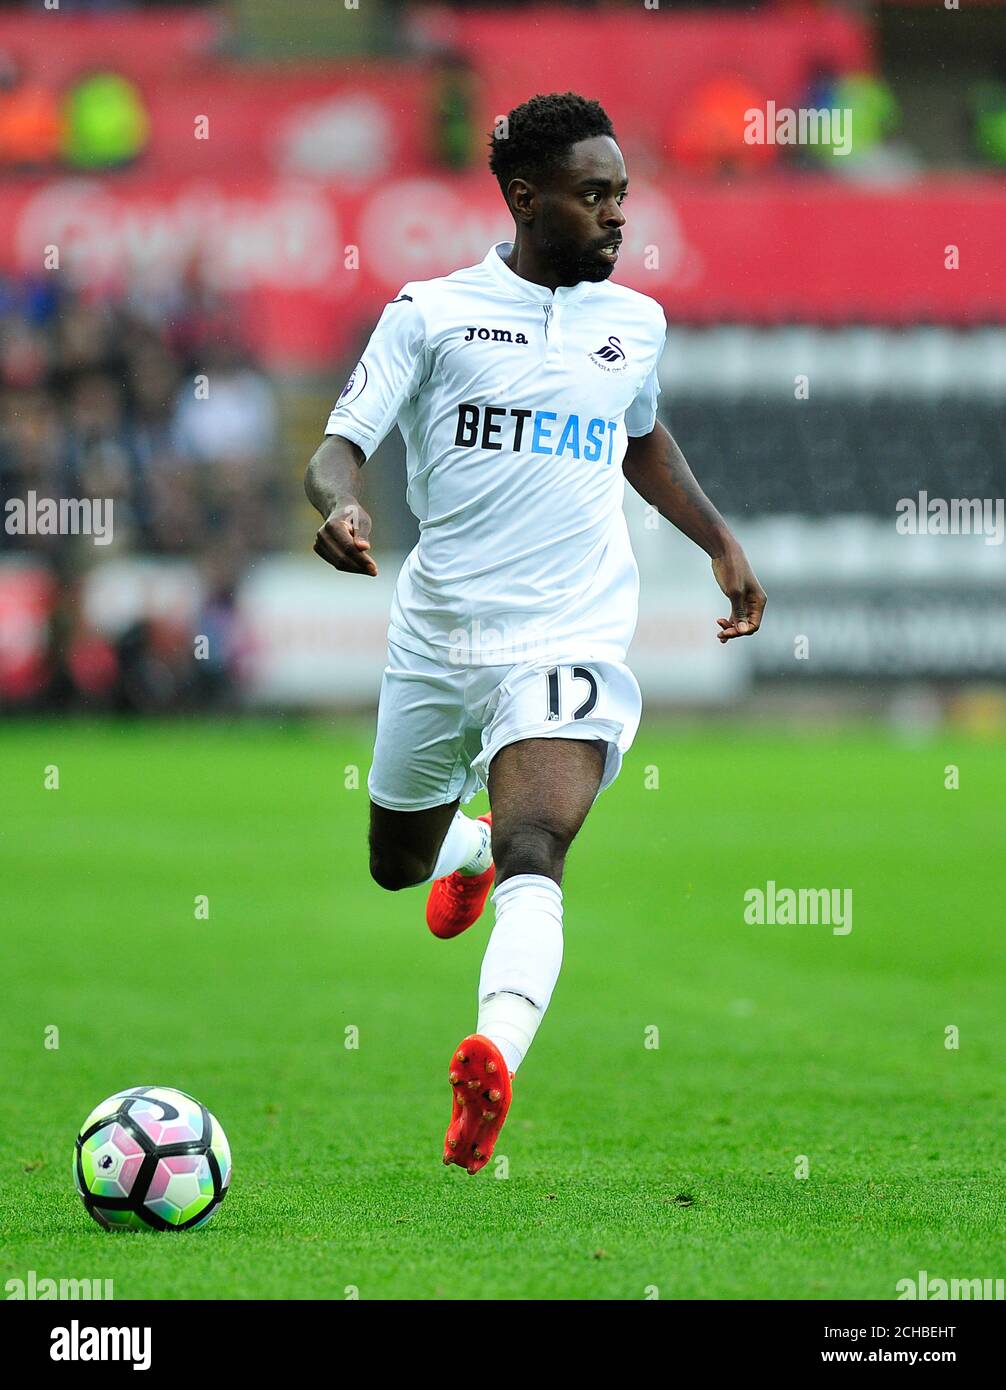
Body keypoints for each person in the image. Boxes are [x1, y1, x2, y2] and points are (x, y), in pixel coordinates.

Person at [305, 92, 766, 1175]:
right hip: (439, 638)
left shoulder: (631, 323)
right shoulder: (431, 311)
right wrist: (335, 505)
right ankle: (453, 846)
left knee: (539, 846)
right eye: (593, 194)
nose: (617, 216)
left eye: (622, 195)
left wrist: (716, 539)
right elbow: (339, 446)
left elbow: (638, 437)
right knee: (392, 862)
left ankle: (491, 1055)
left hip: (569, 635)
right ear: (524, 197)